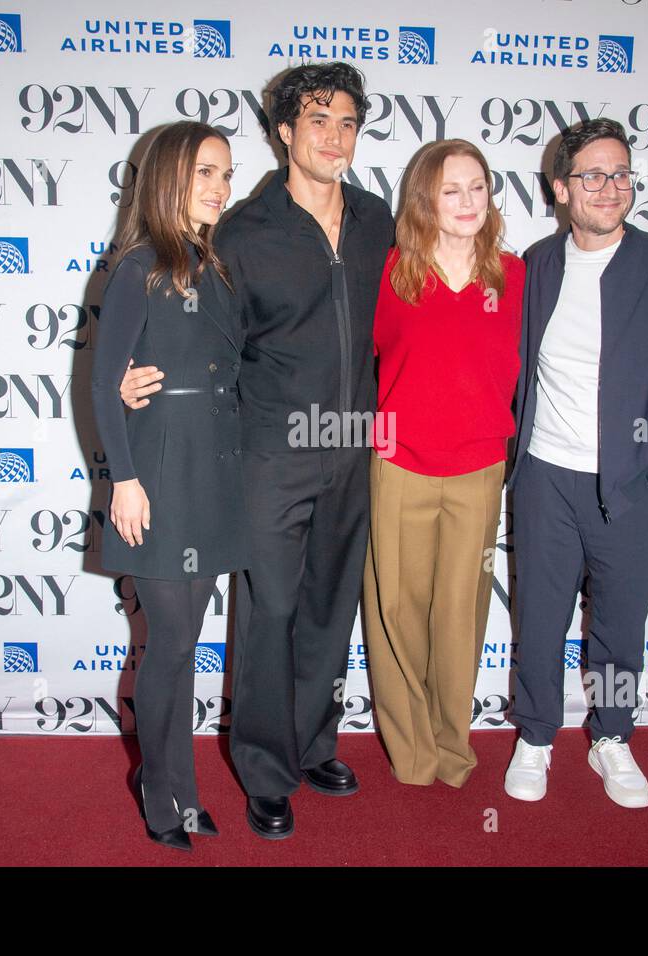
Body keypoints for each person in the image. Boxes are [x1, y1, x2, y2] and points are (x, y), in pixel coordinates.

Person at [119, 63, 395, 839]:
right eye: (317, 121)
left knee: (329, 609)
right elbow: (200, 328)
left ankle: (312, 746)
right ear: (284, 131)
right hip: (271, 450)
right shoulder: (242, 230)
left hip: (355, 443)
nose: (334, 137)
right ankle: (266, 771)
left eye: (346, 122)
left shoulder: (378, 220)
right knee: (270, 611)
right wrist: (140, 375)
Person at [504, 118, 648, 808]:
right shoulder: (535, 265)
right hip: (543, 477)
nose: (610, 187)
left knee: (620, 622)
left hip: (631, 483)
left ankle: (612, 737)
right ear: (561, 187)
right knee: (539, 616)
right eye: (592, 175)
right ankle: (535, 736)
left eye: (620, 173)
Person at [89, 121, 247, 851]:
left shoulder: (213, 268)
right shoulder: (138, 267)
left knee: (185, 647)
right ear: (168, 179)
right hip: (156, 474)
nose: (219, 187)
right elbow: (97, 383)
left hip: (210, 473)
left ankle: (181, 787)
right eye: (204, 173)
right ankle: (160, 792)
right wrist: (124, 477)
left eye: (225, 173)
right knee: (171, 641)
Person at [363, 139, 523, 788]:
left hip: (480, 470)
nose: (465, 201)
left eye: (477, 187)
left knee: (461, 615)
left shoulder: (515, 276)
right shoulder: (391, 272)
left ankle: (451, 746)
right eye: (450, 189)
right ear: (424, 199)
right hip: (399, 467)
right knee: (396, 612)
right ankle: (412, 752)